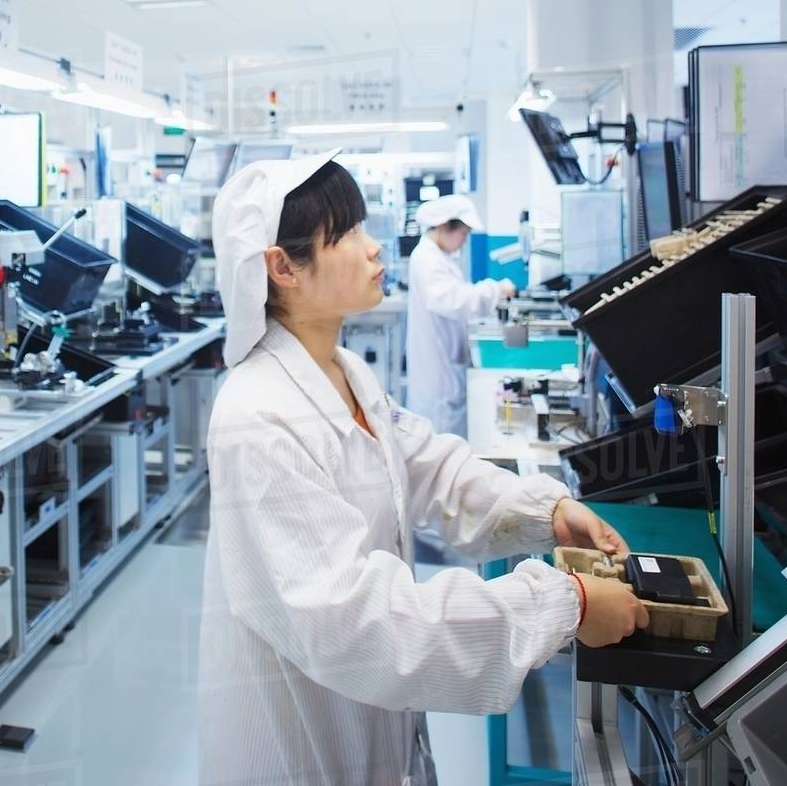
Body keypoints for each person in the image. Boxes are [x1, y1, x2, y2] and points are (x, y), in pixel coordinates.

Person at [199, 150, 648, 786]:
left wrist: (544, 512)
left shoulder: (345, 373)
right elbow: (358, 624)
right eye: (347, 233)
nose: (374, 247)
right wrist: (559, 606)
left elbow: (428, 468)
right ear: (282, 268)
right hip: (302, 750)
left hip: (372, 728)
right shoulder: (257, 419)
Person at [406, 194, 517, 437]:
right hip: (438, 381)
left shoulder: (437, 256)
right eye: (463, 234)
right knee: (442, 443)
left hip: (444, 366)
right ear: (445, 226)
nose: (464, 241)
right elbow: (451, 300)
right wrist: (494, 290)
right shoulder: (428, 259)